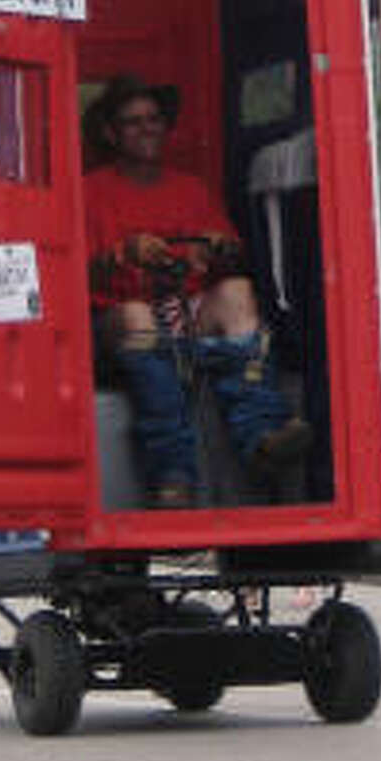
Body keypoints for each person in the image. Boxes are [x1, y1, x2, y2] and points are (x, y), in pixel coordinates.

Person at [82, 75, 310, 508]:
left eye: (153, 120)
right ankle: (172, 472)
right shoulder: (90, 191)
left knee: (238, 293)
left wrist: (220, 250)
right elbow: (72, 279)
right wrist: (122, 253)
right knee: (137, 316)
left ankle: (261, 436)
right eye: (132, 122)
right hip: (115, 323)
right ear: (111, 133)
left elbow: (235, 258)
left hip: (185, 314)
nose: (147, 128)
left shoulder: (190, 188)